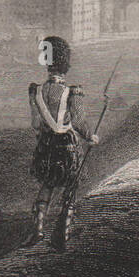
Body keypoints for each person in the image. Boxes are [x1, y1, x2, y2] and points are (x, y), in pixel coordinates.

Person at [25, 35, 98, 250]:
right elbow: (78, 121)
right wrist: (90, 136)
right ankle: (62, 234)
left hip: (46, 145)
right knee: (70, 186)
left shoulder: (36, 91)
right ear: (65, 63)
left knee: (47, 184)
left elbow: (36, 124)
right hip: (66, 145)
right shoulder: (72, 92)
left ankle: (37, 230)